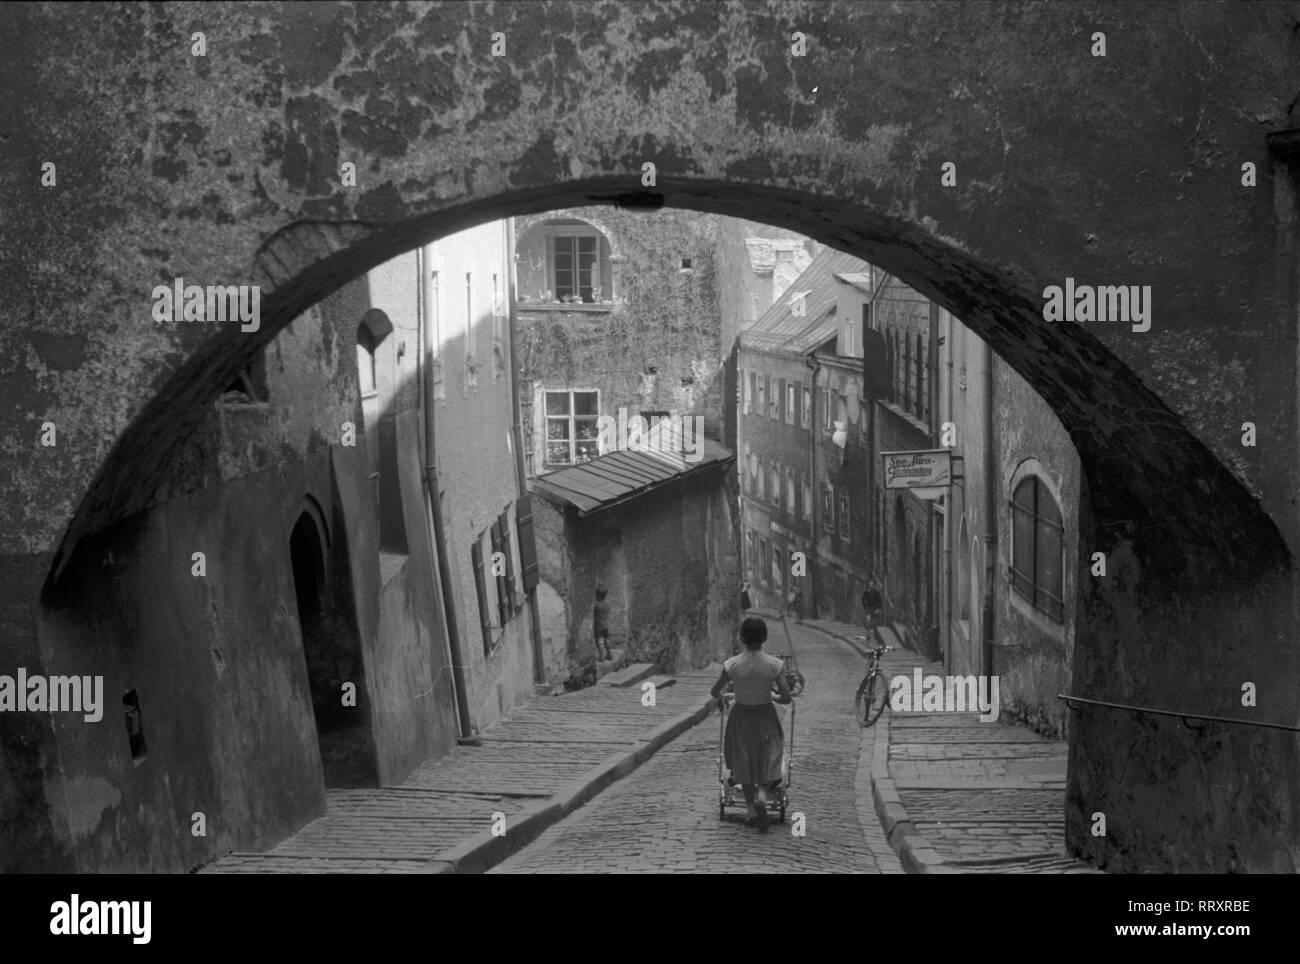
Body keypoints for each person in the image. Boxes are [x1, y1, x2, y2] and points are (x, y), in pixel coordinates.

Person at [710, 616, 793, 831]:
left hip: (741, 718)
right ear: (764, 638)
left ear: (742, 638)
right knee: (769, 761)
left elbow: (715, 690)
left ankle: (750, 809)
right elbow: (786, 697)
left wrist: (722, 701)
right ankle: (761, 799)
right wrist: (772, 696)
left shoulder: (732, 664)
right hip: (765, 717)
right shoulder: (774, 665)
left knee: (743, 764)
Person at [593, 586, 612, 660]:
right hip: (606, 625)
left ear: (596, 595)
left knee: (600, 641)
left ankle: (602, 656)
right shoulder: (607, 604)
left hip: (598, 625)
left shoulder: (595, 604)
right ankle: (609, 654)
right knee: (607, 640)